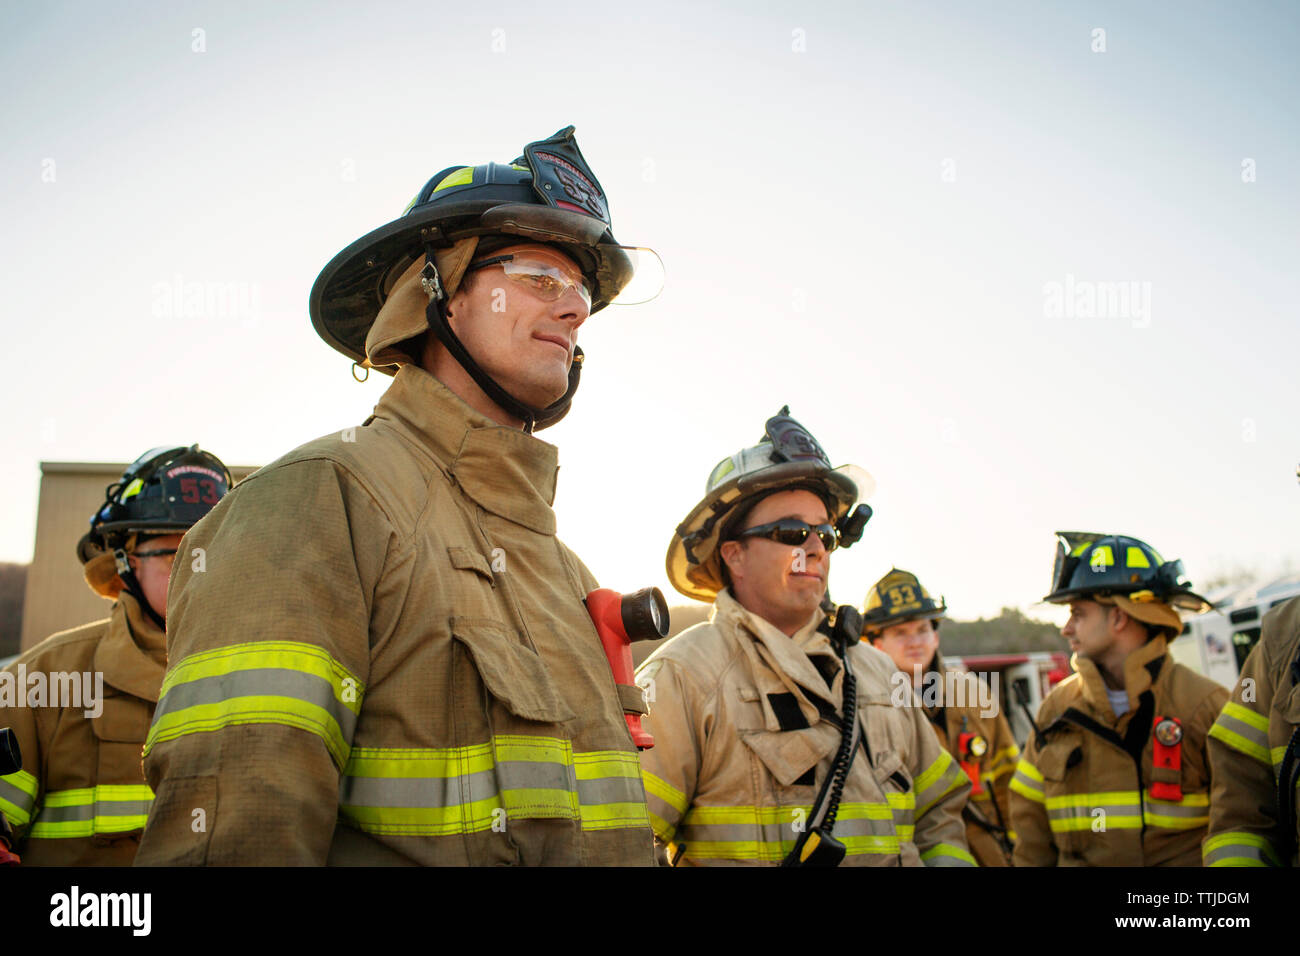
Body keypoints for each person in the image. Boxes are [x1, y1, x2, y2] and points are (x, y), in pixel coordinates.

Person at [136, 127, 659, 866]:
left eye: (581, 289)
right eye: (541, 275)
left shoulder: (566, 571)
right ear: (432, 291)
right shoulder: (319, 503)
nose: (575, 309)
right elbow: (241, 839)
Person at [637, 408, 974, 866]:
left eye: (825, 534)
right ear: (734, 555)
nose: (815, 547)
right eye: (793, 532)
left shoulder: (875, 671)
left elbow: (941, 810)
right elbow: (626, 839)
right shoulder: (682, 678)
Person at [0, 445, 230, 865]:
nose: (200, 567)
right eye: (175, 552)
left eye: (215, 549)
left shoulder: (271, 675)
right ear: (126, 561)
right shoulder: (44, 680)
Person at [1009, 532, 1228, 866]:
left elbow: (1246, 821)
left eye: (1078, 613)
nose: (1067, 628)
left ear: (1119, 616)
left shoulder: (1205, 705)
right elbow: (1030, 832)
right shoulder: (1057, 710)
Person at [863, 567, 1019, 865]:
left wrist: (1017, 843)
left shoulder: (974, 693)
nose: (915, 642)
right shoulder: (865, 706)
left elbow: (1008, 778)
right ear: (875, 643)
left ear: (935, 636)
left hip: (989, 854)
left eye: (922, 630)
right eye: (900, 633)